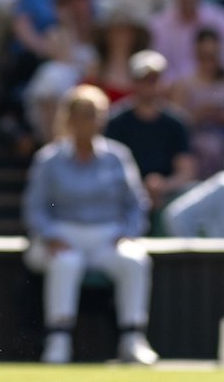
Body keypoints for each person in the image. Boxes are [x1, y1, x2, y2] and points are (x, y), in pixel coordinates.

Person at [20, 85, 157, 365]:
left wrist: (127, 234)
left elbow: (136, 204)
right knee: (65, 262)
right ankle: (58, 340)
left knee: (135, 261)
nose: (89, 121)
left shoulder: (118, 157)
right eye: (82, 114)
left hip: (107, 237)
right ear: (68, 118)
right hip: (61, 234)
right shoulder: (49, 160)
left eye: (94, 114)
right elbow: (34, 208)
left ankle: (132, 339)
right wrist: (50, 236)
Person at [103, 50, 196, 203]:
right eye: (143, 79)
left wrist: (163, 185)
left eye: (154, 79)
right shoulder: (116, 121)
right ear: (133, 81)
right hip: (125, 195)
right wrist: (139, 188)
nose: (149, 85)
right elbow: (109, 168)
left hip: (167, 197)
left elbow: (185, 171)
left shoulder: (176, 123)